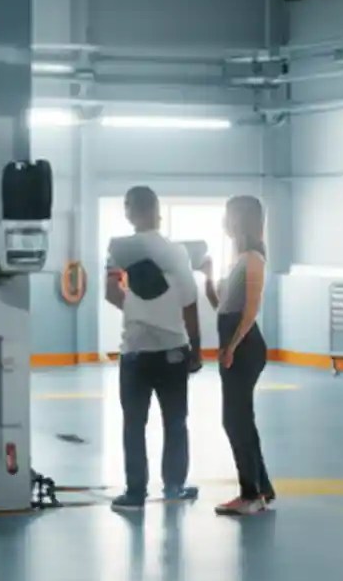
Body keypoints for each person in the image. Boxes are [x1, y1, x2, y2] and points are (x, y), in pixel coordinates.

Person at [105, 186, 202, 512]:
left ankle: (135, 493)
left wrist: (137, 311)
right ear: (157, 211)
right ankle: (174, 487)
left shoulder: (119, 249)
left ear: (130, 212)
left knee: (134, 424)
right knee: (175, 421)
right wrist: (197, 348)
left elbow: (110, 292)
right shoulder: (176, 252)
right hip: (173, 348)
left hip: (135, 350)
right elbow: (190, 302)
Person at [203, 195, 274, 516]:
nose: (224, 221)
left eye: (228, 215)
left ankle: (250, 494)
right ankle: (261, 488)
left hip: (244, 347)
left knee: (234, 420)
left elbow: (250, 309)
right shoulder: (238, 259)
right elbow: (221, 306)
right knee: (241, 419)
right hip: (233, 343)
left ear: (241, 221)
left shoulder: (254, 259)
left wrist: (231, 347)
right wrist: (208, 276)